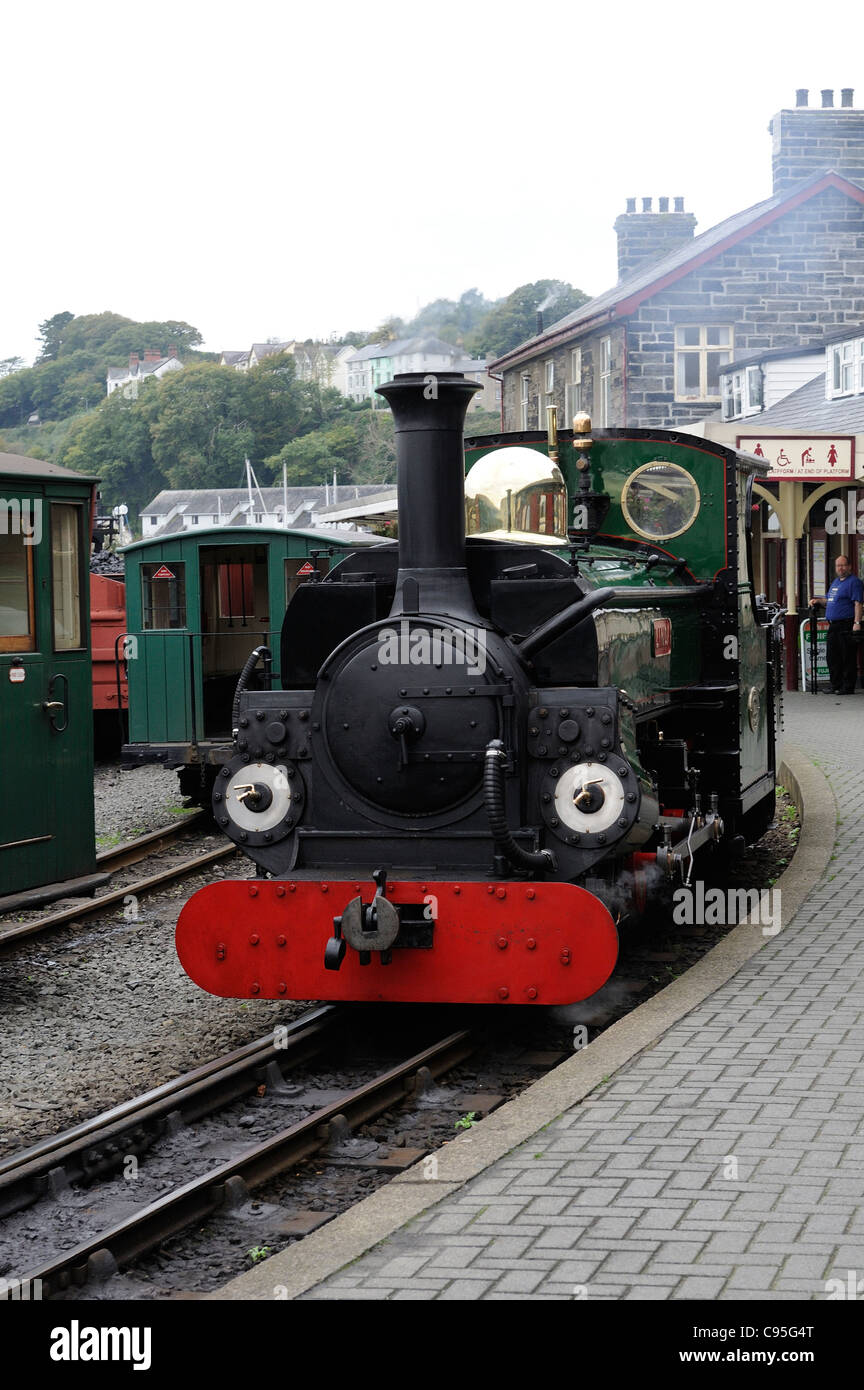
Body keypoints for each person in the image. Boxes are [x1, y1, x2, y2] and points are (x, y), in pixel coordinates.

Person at [809, 554, 864, 694]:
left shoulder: (854, 582)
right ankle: (836, 685)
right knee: (832, 656)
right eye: (838, 565)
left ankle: (848, 686)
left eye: (843, 565)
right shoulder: (836, 582)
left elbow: (858, 603)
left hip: (846, 624)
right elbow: (829, 601)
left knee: (847, 656)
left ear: (849, 566)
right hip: (833, 625)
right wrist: (817, 601)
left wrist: (857, 623)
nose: (840, 568)